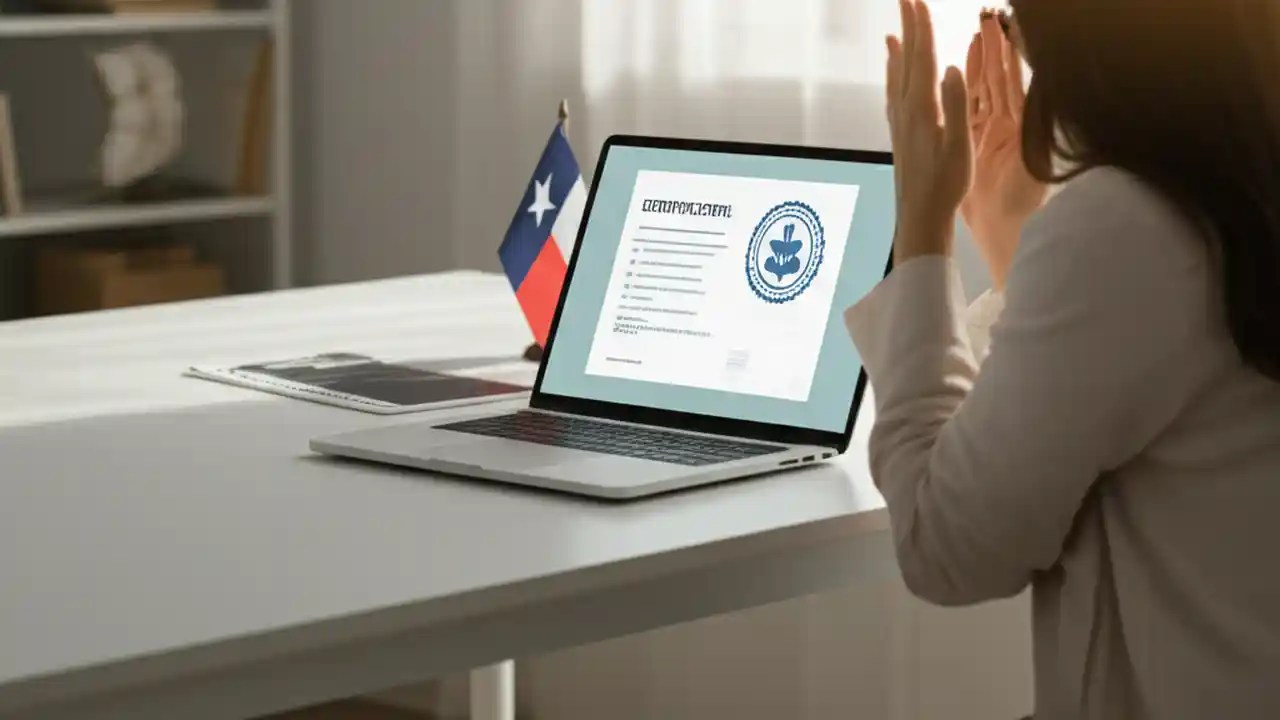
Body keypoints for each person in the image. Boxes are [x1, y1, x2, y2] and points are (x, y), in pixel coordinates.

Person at [843, 0, 1280, 717]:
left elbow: (946, 546)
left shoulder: (1127, 222)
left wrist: (921, 221)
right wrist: (1012, 235)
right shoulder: (1235, 194)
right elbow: (1130, 383)